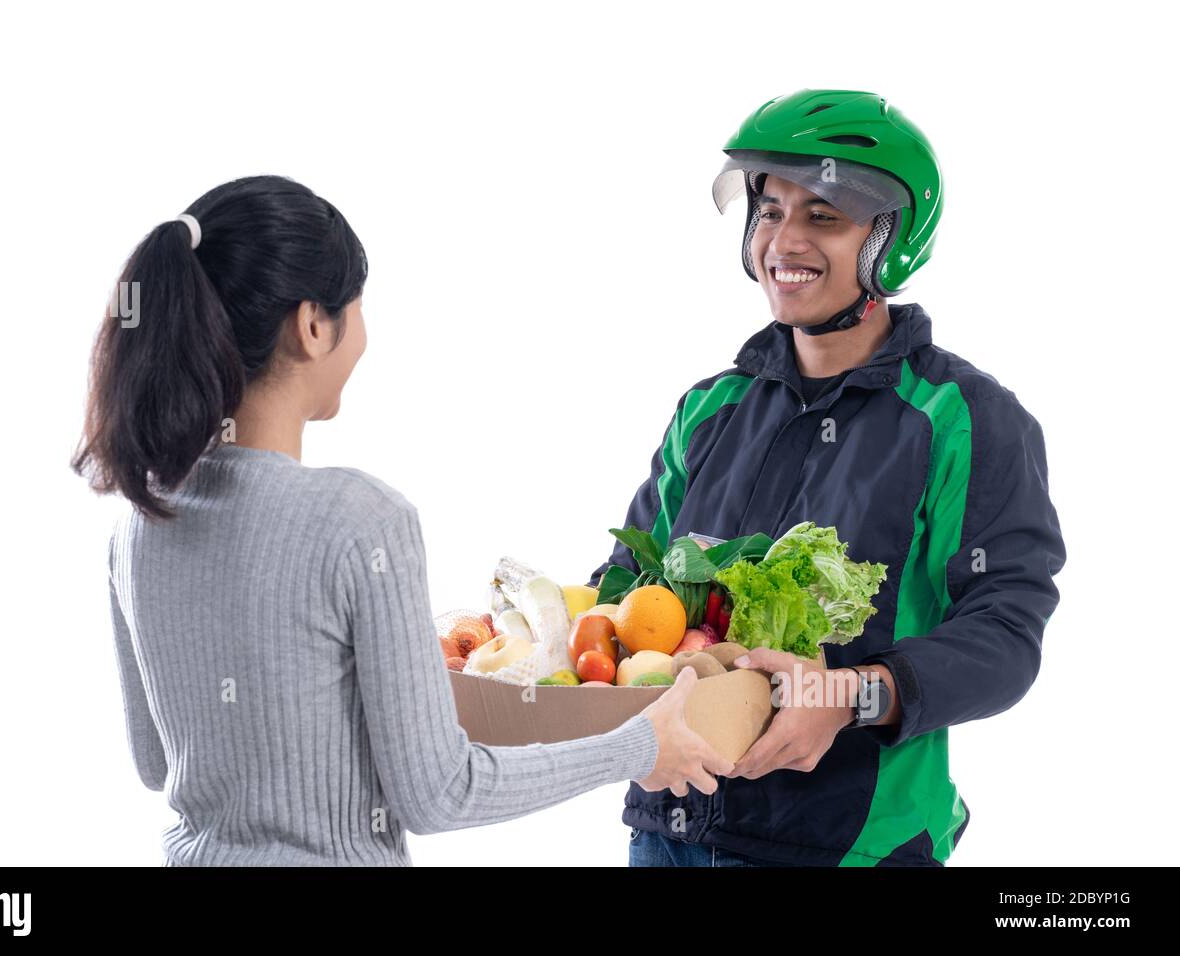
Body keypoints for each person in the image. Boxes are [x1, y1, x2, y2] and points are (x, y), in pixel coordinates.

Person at [72, 175, 733, 866]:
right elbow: (440, 793)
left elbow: (158, 762)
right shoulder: (358, 519)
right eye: (356, 309)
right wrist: (641, 745)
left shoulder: (138, 524)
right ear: (312, 325)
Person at [588, 89, 1066, 867]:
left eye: (823, 216)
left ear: (889, 242)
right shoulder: (711, 408)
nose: (785, 239)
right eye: (770, 210)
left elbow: (1005, 636)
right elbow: (632, 584)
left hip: (846, 844)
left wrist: (850, 697)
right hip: (667, 826)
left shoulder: (960, 419)